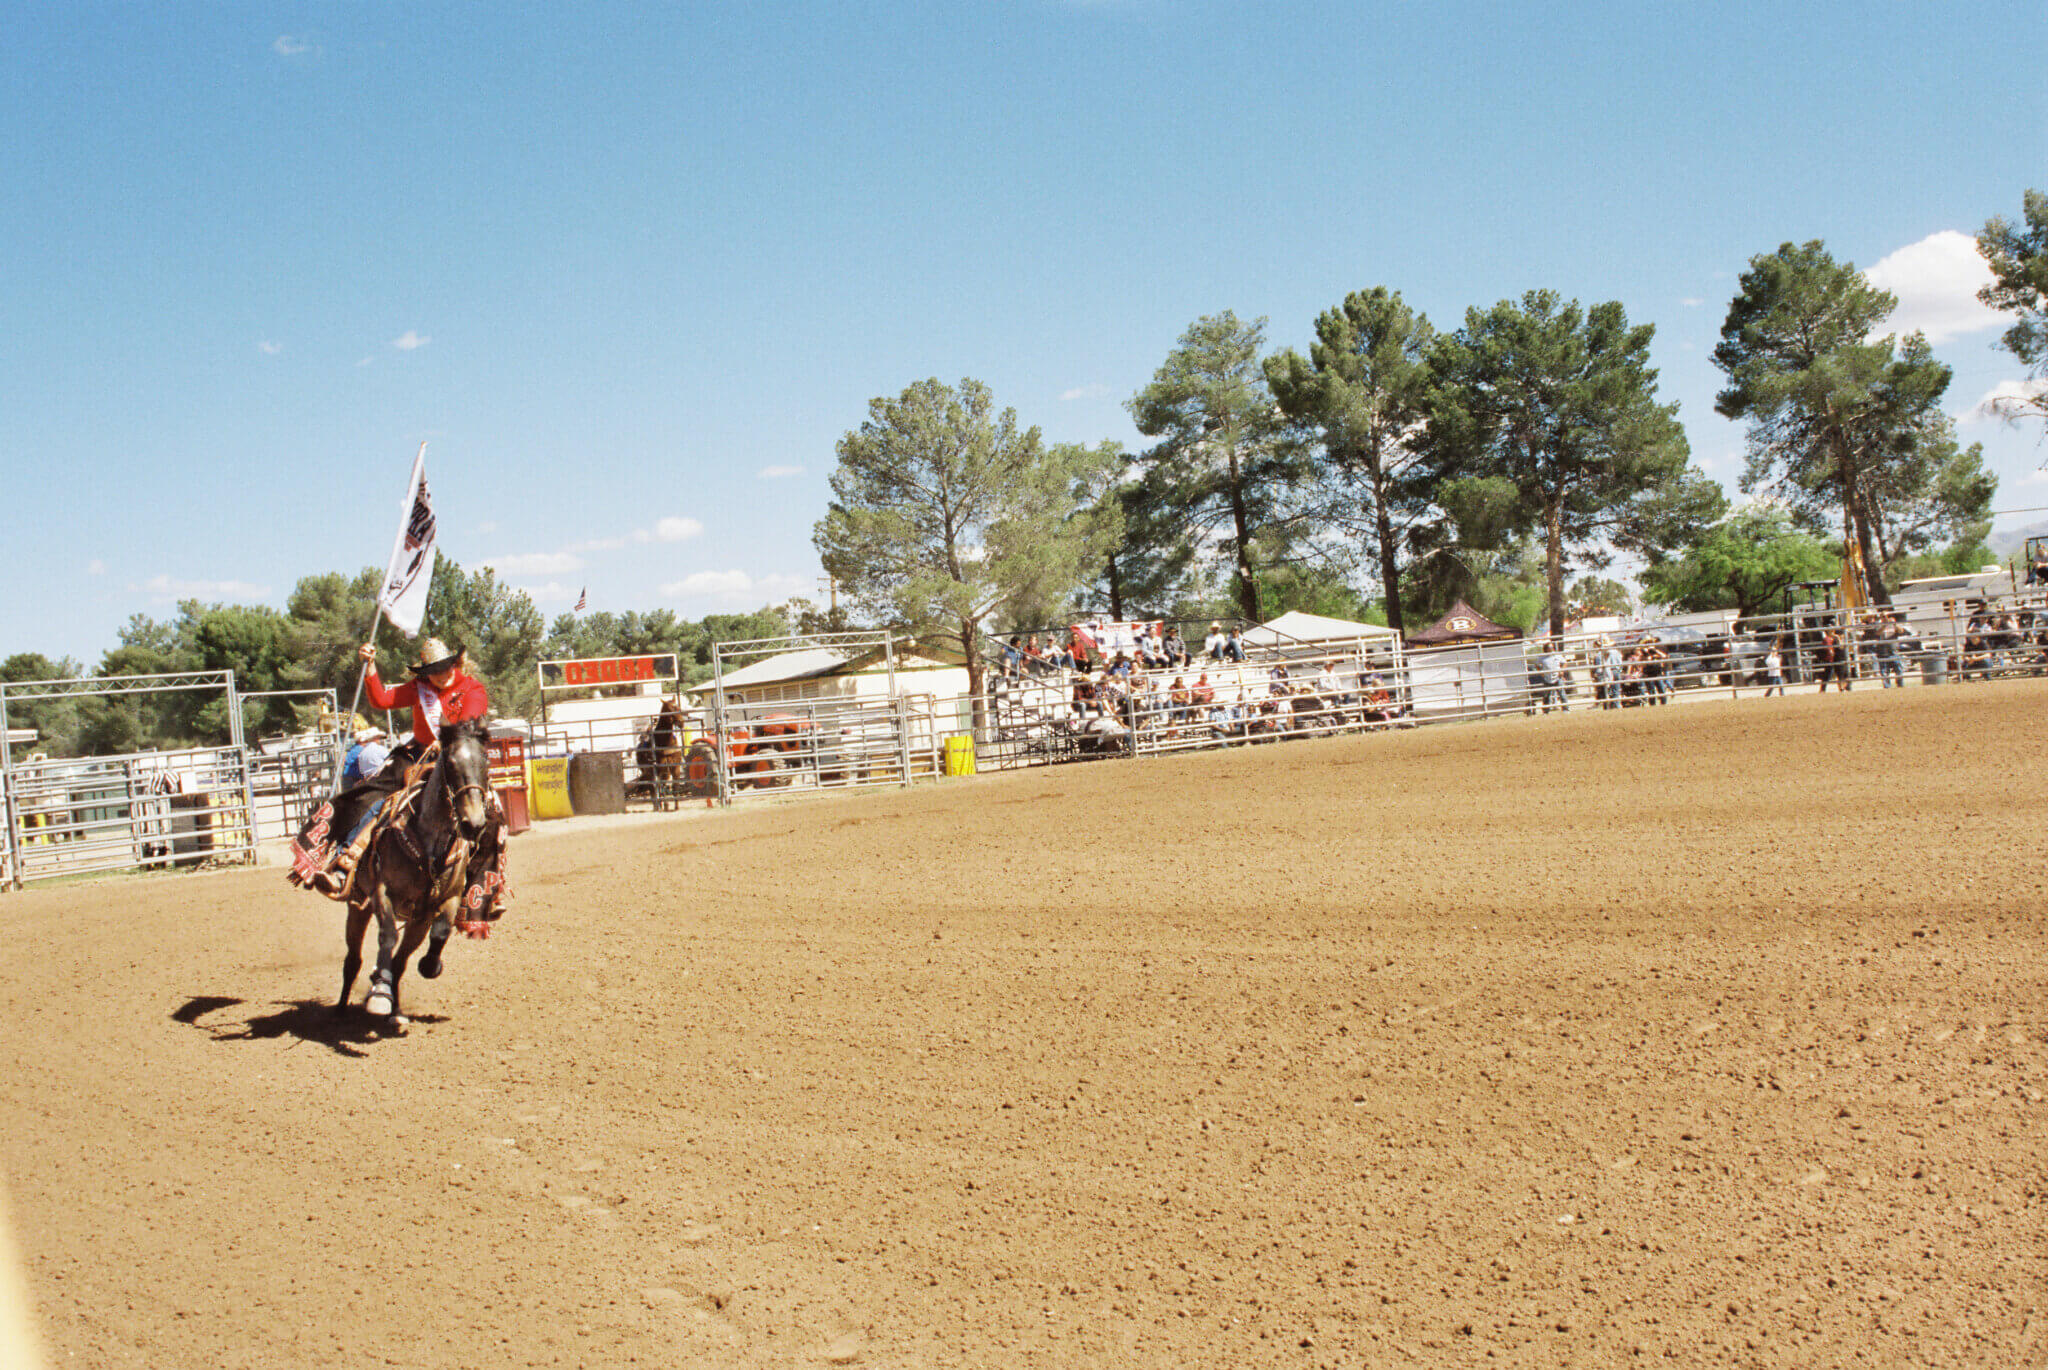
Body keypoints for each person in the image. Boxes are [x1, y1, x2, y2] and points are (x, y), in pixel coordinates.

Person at [291, 637, 495, 898]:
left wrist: (445, 743)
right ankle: (345, 862)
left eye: (443, 668)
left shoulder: (473, 689)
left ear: (454, 665)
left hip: (459, 759)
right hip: (416, 755)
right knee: (372, 797)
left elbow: (467, 725)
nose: (439, 676)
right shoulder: (419, 688)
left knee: (491, 811)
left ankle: (485, 885)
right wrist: (371, 667)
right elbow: (381, 699)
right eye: (432, 671)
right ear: (425, 674)